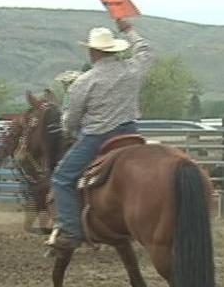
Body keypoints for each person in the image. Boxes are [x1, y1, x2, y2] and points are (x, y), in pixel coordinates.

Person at [47, 19, 154, 251]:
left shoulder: (84, 82)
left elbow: (72, 118)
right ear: (114, 49)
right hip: (130, 134)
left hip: (97, 138)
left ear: (93, 51)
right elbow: (145, 51)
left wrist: (67, 129)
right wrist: (129, 31)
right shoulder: (133, 69)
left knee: (62, 178)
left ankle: (70, 229)